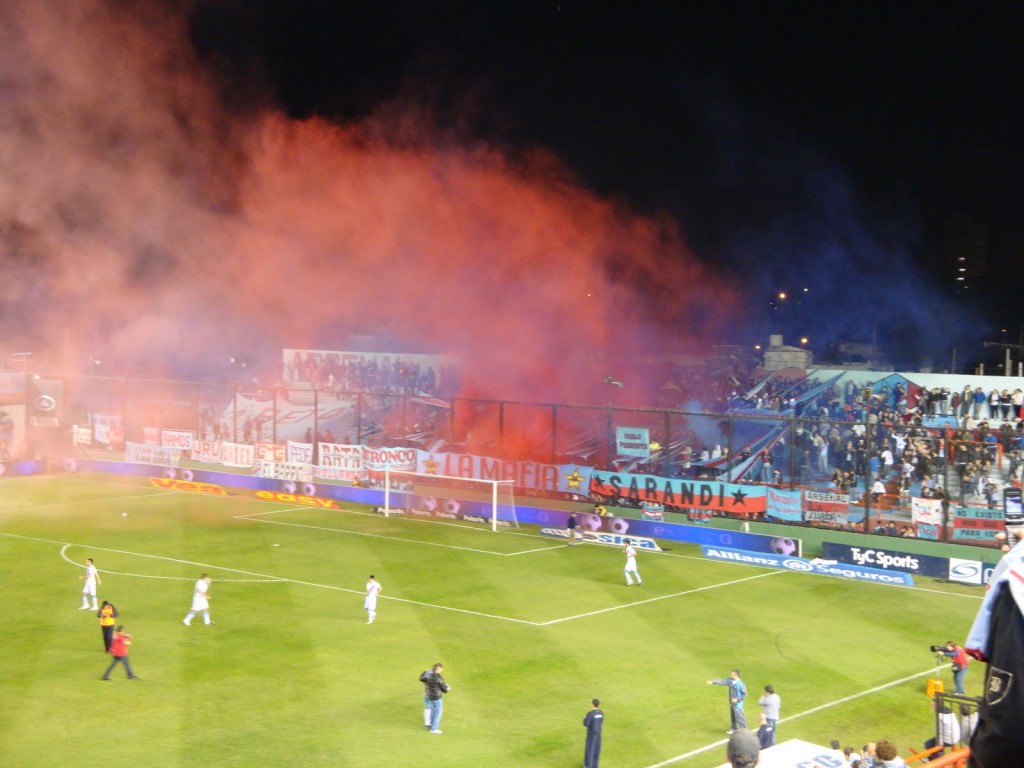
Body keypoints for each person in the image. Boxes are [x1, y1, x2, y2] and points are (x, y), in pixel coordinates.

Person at [419, 663, 451, 734]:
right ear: (438, 669)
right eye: (440, 670)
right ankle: (433, 728)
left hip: (429, 695)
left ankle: (430, 723)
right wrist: (447, 688)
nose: (441, 671)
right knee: (438, 712)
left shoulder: (428, 674)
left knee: (432, 709)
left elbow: (422, 678)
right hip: (436, 697)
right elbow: (444, 689)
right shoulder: (438, 678)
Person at [582, 697, 603, 768]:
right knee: (596, 750)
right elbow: (601, 722)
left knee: (589, 750)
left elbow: (586, 723)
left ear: (592, 704)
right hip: (598, 734)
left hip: (591, 735)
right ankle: (595, 765)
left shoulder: (590, 714)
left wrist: (584, 718)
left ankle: (587, 766)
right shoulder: (601, 713)